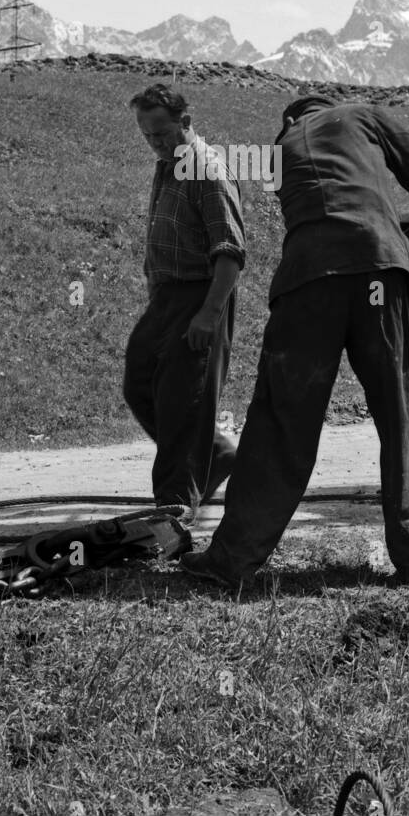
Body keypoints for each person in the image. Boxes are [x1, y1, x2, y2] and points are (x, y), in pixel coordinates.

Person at [181, 95, 409, 588]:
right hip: (379, 275)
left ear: (291, 119)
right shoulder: (361, 115)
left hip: (310, 283)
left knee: (280, 421)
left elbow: (332, 213)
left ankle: (233, 559)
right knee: (400, 414)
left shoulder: (280, 152)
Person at [123, 85, 245, 516]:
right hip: (167, 298)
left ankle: (173, 509)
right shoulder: (168, 165)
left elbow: (230, 252)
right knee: (140, 381)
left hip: (200, 295)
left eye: (162, 133)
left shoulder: (208, 171)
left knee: (181, 401)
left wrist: (209, 314)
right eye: (147, 136)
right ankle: (214, 453)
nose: (155, 142)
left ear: (186, 123)